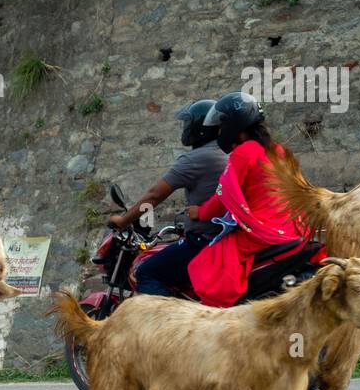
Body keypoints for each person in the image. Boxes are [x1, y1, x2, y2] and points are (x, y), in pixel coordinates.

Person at [187, 92, 311, 307]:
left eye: (220, 127)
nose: (218, 132)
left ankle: (221, 317)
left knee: (204, 265)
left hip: (264, 230)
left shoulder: (244, 152)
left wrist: (200, 212)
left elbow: (222, 197)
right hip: (294, 226)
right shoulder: (279, 150)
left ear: (234, 126)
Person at [106, 99, 227, 296]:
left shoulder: (196, 159)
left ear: (200, 127)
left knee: (145, 272)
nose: (185, 128)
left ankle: (172, 325)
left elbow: (155, 195)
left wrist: (123, 220)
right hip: (224, 238)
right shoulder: (226, 153)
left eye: (188, 124)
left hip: (204, 242)